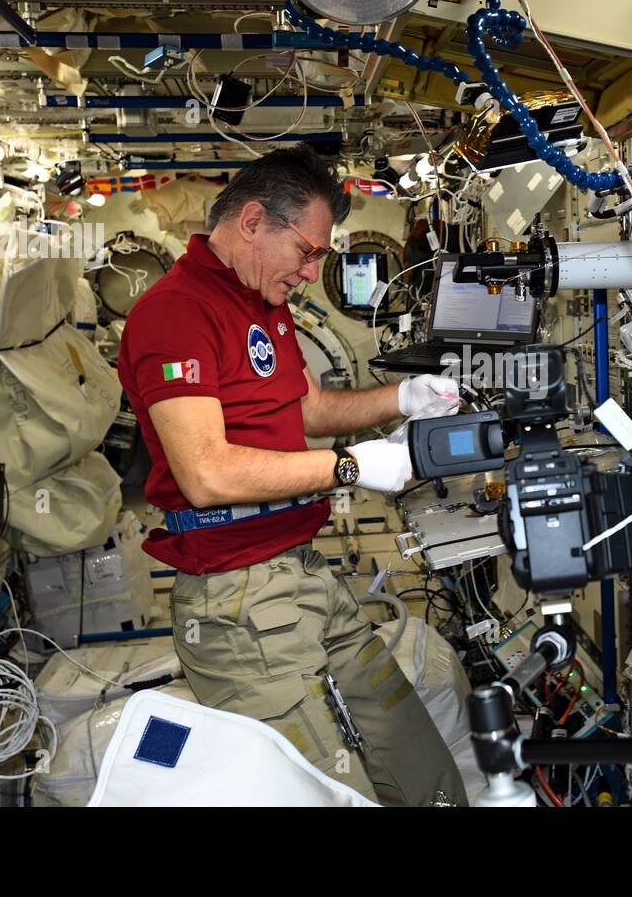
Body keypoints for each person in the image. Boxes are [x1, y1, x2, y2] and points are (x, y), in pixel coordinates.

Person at [117, 145, 466, 806]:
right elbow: (206, 475)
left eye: (319, 260)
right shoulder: (175, 313)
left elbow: (311, 408)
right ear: (253, 221)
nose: (310, 273)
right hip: (239, 603)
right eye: (306, 252)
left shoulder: (261, 302)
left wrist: (402, 399)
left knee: (420, 766)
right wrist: (352, 467)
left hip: (303, 573)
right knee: (324, 792)